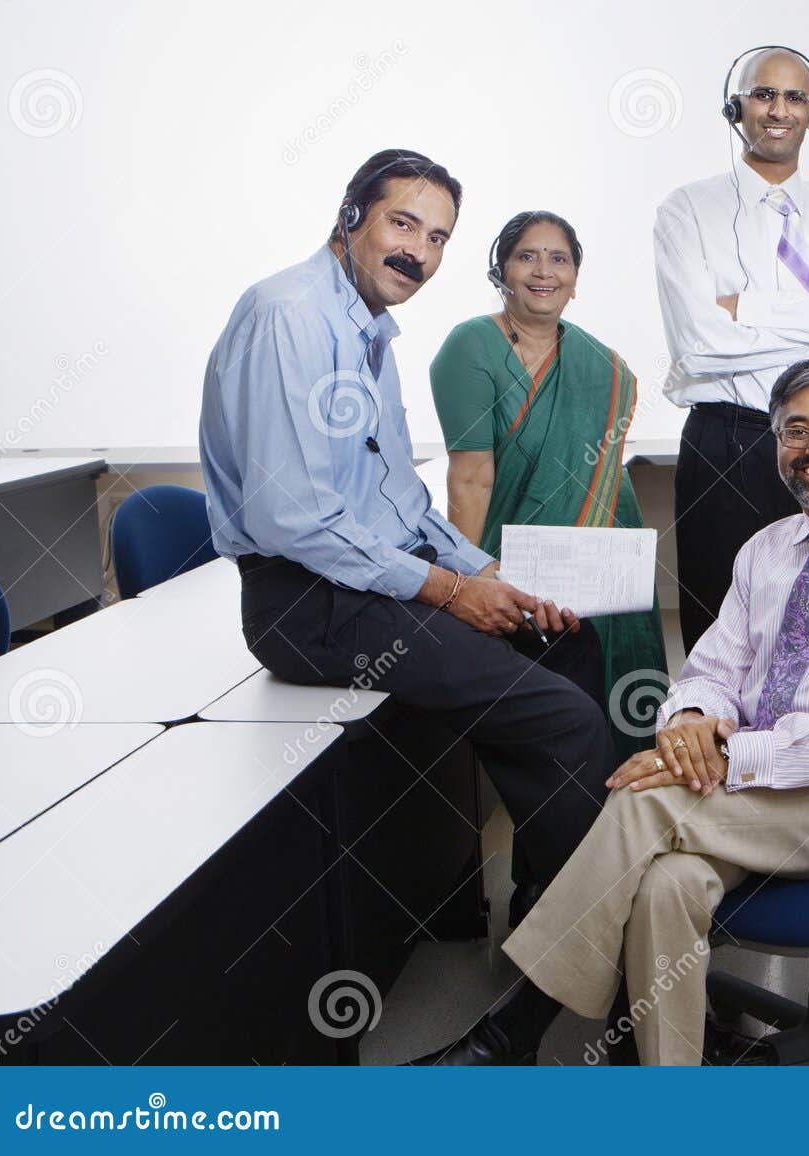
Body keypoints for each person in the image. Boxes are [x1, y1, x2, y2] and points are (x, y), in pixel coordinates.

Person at [414, 357, 809, 1066]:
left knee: (643, 802)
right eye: (796, 431)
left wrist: (729, 756)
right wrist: (687, 724)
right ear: (777, 444)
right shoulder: (764, 551)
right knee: (665, 885)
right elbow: (711, 671)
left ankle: (509, 1036)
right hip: (754, 789)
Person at [198, 150, 614, 929]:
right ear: (351, 215)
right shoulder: (290, 316)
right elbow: (293, 520)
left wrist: (485, 570)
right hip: (307, 603)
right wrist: (452, 592)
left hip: (369, 580)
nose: (417, 252)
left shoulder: (367, 332)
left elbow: (401, 502)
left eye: (437, 238)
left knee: (569, 643)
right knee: (566, 719)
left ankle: (543, 905)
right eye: (403, 224)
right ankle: (575, 948)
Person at [655, 45, 809, 651]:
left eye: (794, 97)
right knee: (722, 632)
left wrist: (747, 307)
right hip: (728, 440)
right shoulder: (687, 209)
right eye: (763, 94)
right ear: (735, 107)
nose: (778, 110)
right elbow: (699, 343)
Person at [429, 210, 668, 760]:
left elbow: (602, 472)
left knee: (608, 695)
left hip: (602, 555)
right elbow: (470, 477)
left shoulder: (602, 365)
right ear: (501, 272)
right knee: (546, 728)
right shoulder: (471, 346)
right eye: (527, 257)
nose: (544, 271)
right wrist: (468, 580)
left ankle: (623, 806)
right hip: (510, 562)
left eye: (559, 259)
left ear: (575, 279)